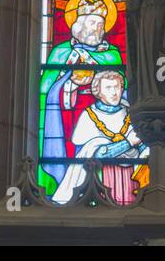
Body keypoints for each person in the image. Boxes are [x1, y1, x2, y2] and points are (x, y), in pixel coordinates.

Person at [37, 0, 122, 196]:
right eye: (93, 23)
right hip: (65, 114)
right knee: (69, 150)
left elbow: (124, 86)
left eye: (101, 25)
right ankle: (63, 188)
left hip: (106, 115)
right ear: (80, 24)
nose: (97, 29)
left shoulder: (112, 54)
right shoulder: (61, 52)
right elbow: (45, 89)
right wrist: (69, 83)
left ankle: (104, 190)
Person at [51, 71, 145, 205]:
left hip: (132, 175)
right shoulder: (89, 116)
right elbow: (98, 153)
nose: (114, 92)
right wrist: (128, 142)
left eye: (117, 87)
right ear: (98, 91)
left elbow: (143, 145)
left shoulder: (130, 112)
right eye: (108, 88)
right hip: (101, 175)